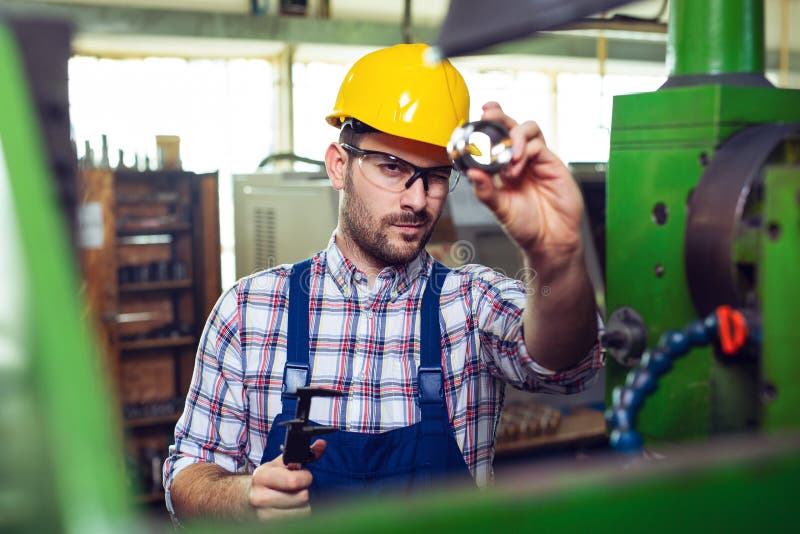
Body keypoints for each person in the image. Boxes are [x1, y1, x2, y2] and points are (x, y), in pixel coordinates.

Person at [164, 43, 601, 521]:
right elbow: (186, 479)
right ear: (338, 166)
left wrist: (555, 256)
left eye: (435, 176)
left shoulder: (470, 303)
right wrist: (247, 494)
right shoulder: (248, 311)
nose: (417, 199)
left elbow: (565, 363)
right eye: (393, 168)